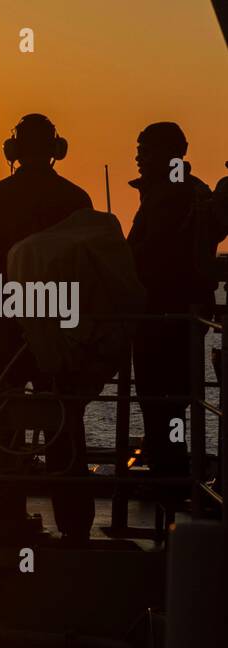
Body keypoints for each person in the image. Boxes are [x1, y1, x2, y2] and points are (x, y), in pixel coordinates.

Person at [0, 113, 94, 544]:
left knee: (0, 427)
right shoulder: (76, 199)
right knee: (65, 427)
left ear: (12, 150)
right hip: (57, 325)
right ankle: (74, 528)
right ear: (57, 150)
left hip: (3, 326)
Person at [127, 122, 228, 485]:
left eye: (146, 149)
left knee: (159, 399)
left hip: (161, 314)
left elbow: (148, 255)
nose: (139, 156)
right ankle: (170, 462)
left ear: (171, 152)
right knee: (175, 400)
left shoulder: (170, 197)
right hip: (186, 313)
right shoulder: (194, 192)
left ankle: (167, 470)